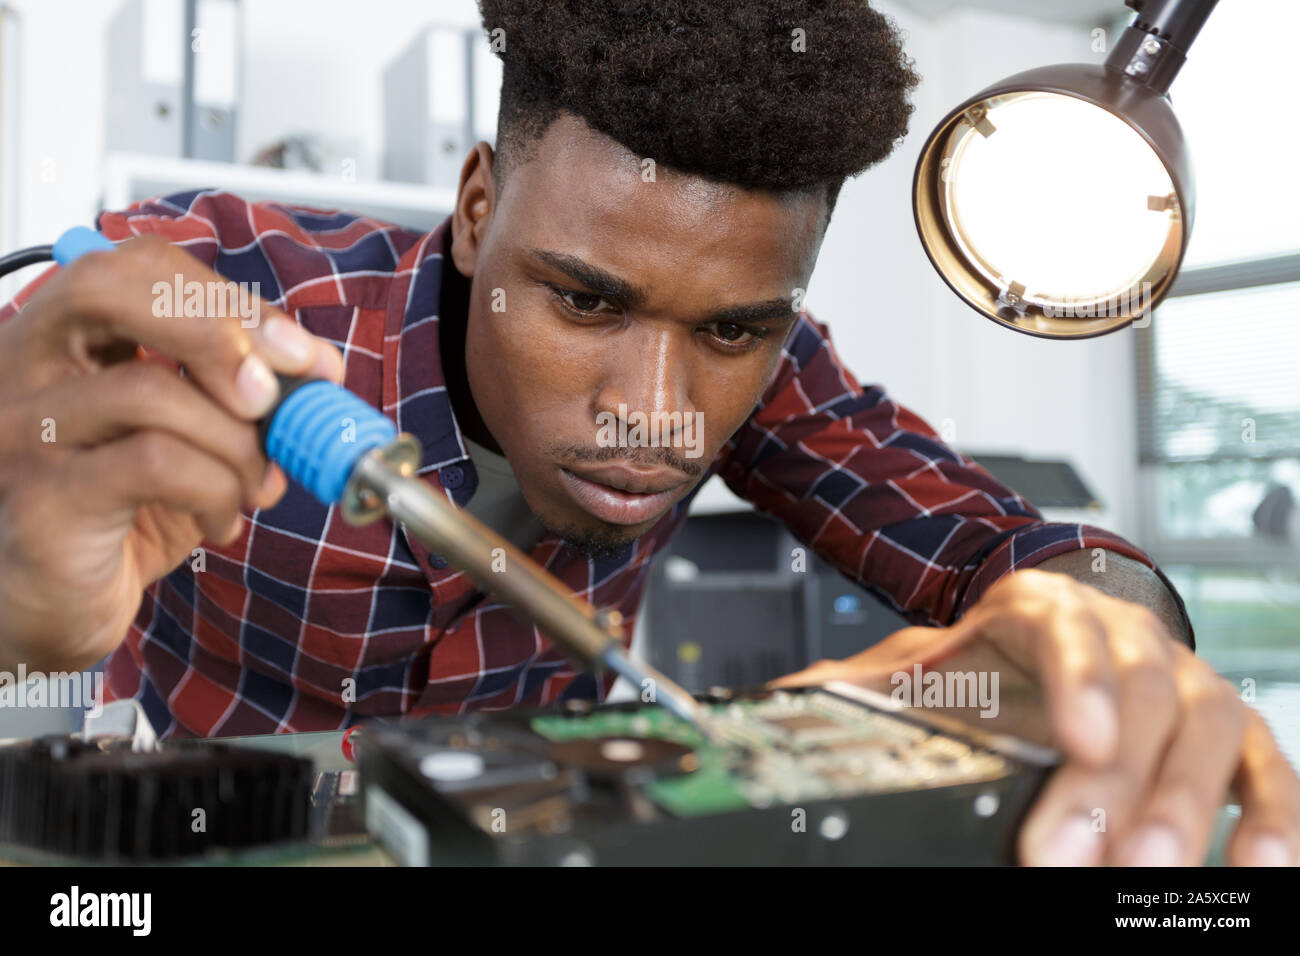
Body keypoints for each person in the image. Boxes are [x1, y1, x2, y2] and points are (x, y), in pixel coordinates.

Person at [0, 0, 1294, 866]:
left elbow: (1007, 549)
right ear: (475, 206)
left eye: (732, 330)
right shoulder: (207, 296)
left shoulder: (775, 377)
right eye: (583, 299)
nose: (656, 409)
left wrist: (1097, 622)